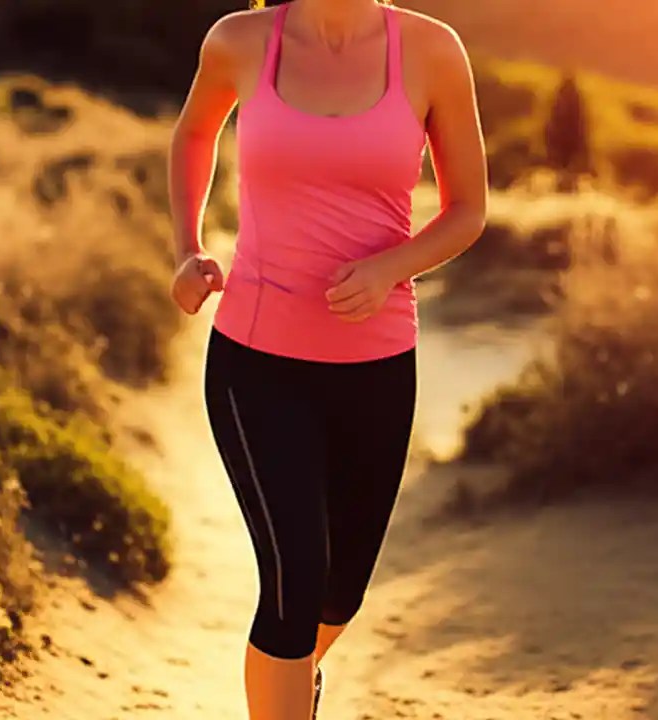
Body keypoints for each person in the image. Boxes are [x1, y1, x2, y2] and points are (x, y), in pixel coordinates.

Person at [167, 0, 487, 717]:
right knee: (295, 578)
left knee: (341, 592)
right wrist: (187, 248)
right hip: (256, 359)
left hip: (377, 365)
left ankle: (292, 684)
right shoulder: (241, 41)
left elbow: (468, 208)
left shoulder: (432, 51)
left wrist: (389, 268)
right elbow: (194, 134)